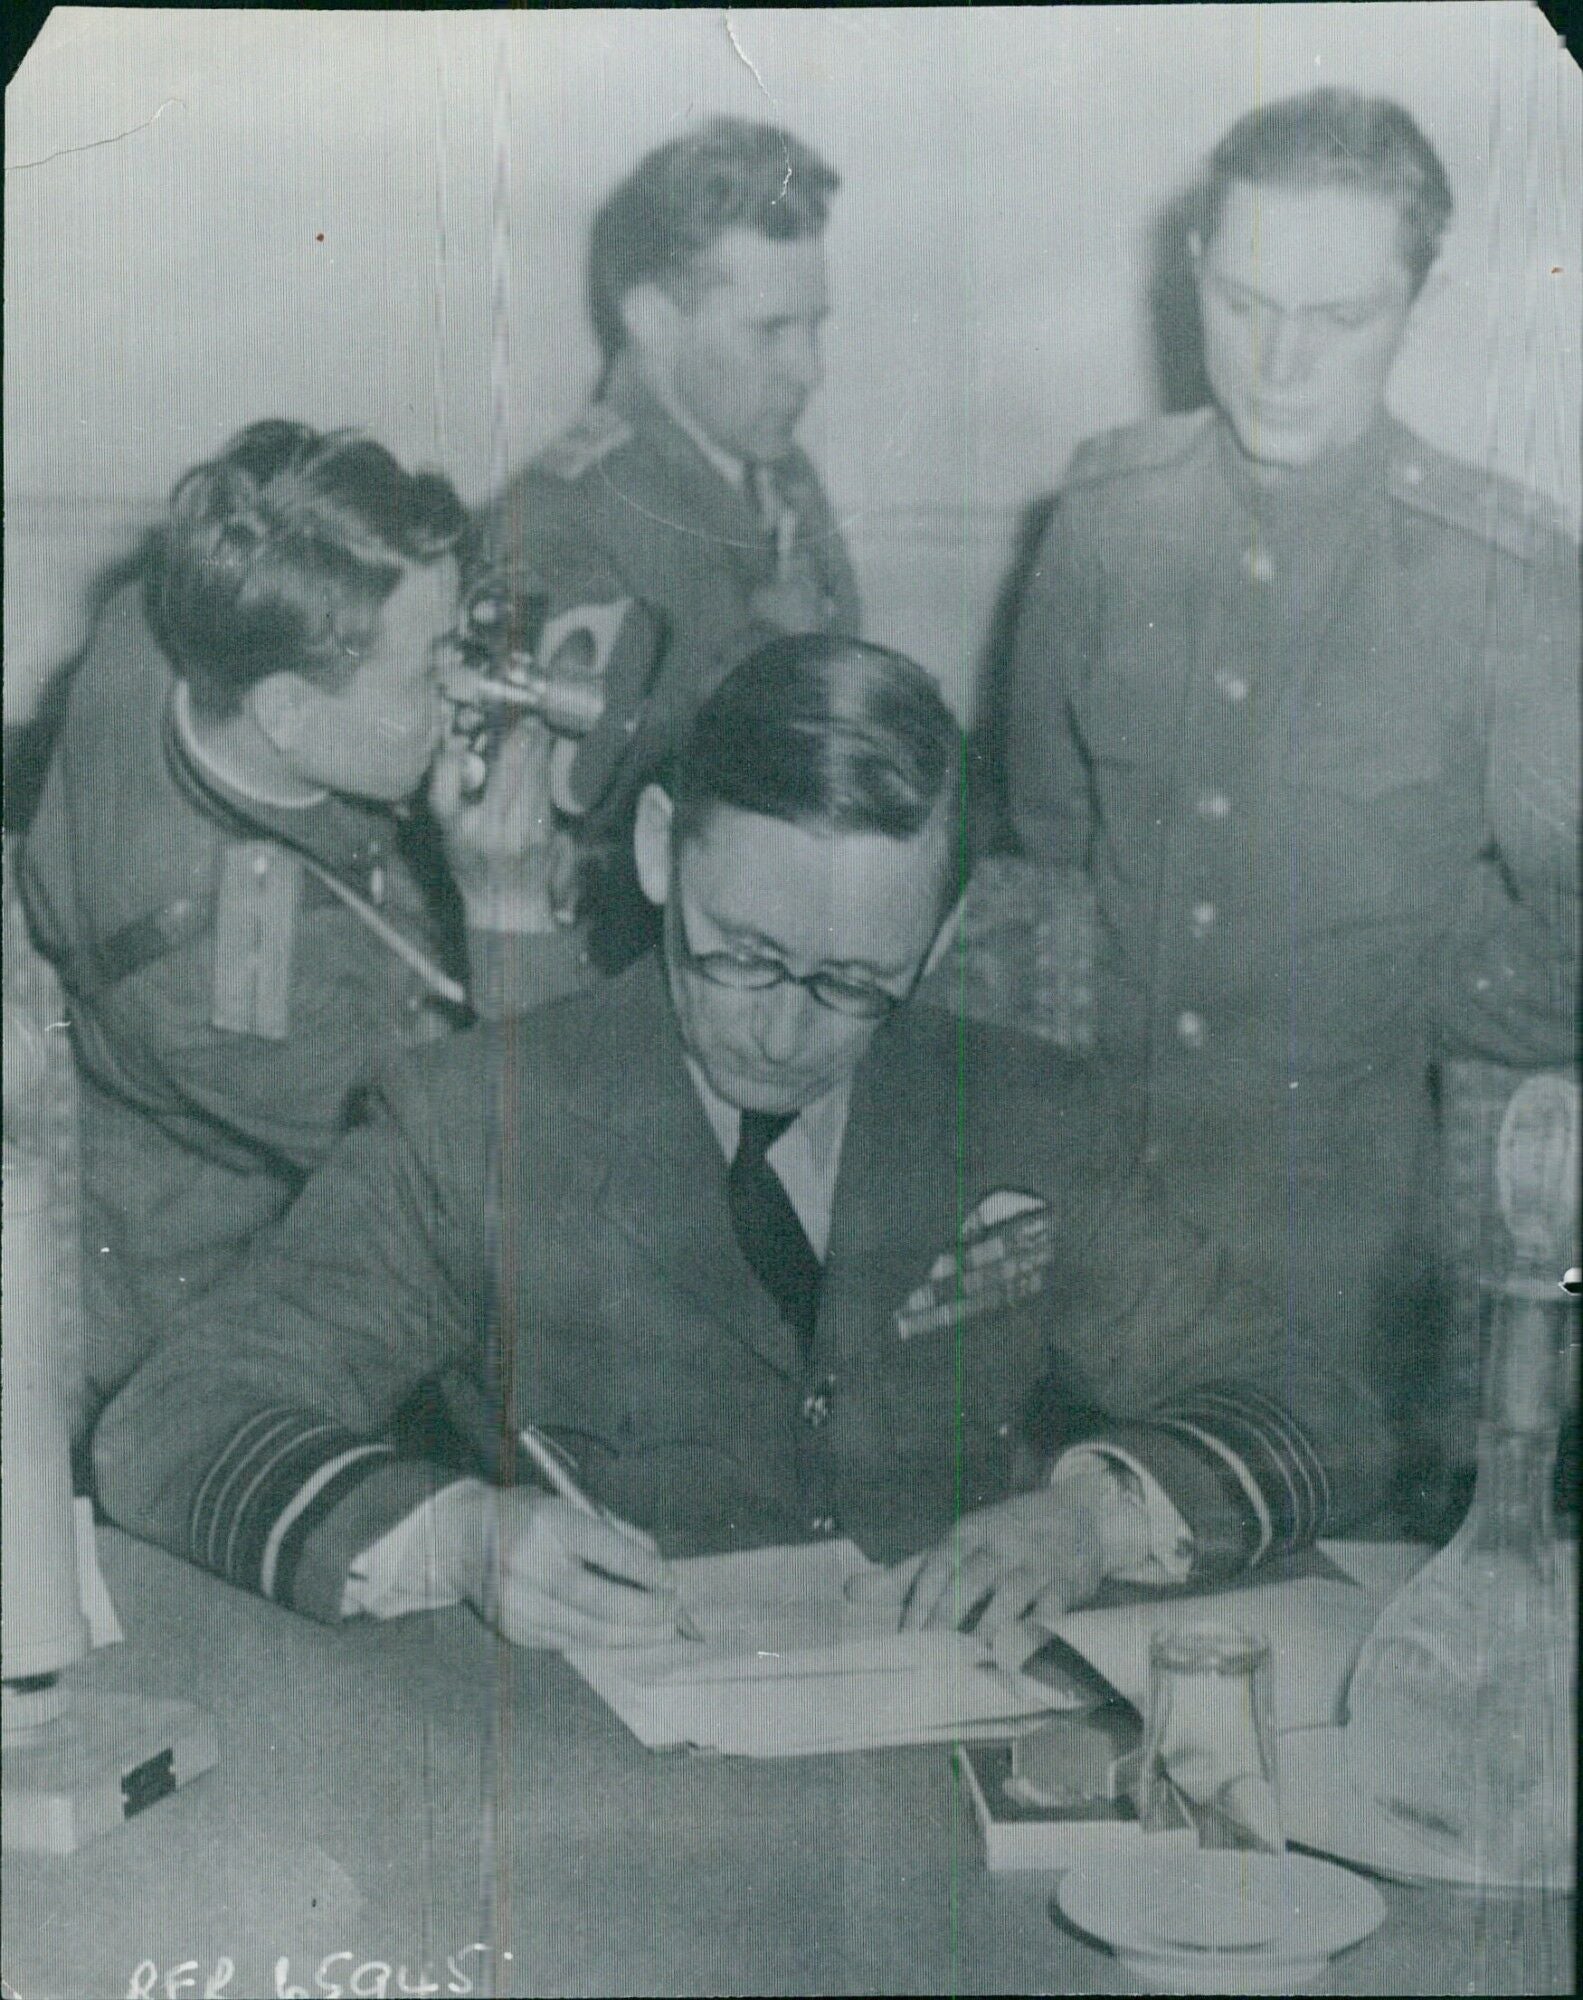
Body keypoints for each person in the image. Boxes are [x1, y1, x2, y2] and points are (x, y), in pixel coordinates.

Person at [94, 636, 1391, 1652]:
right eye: (741, 956)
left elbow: (1317, 1408)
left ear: (937, 943)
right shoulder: (468, 1125)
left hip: (927, 1785)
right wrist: (462, 1541)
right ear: (660, 850)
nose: (778, 1030)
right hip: (602, 1806)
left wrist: (1090, 1518)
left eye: (850, 984)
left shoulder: (1022, 1118)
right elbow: (170, 1426)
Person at [999, 89, 1580, 1446]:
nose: (1274, 361)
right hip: (1086, 1250)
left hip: (1341, 1275)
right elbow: (1039, 858)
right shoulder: (1098, 521)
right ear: (1190, 269)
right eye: (1242, 302)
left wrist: (1412, 988)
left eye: (1335, 321)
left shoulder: (1500, 579)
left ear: (1409, 306)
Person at [17, 421, 585, 1439]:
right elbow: (498, 1171)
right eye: (429, 672)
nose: (463, 686)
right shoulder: (223, 987)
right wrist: (508, 911)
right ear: (285, 712)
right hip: (204, 1279)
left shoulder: (158, 623)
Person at [490, 117, 862, 973]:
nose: (810, 370)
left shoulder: (779, 471)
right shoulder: (558, 525)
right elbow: (581, 837)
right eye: (771, 331)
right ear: (654, 319)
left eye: (815, 327)